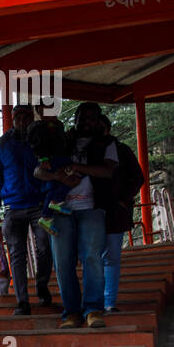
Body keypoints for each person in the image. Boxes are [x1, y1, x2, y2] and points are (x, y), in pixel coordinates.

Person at [35, 102, 117, 328]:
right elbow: (38, 170)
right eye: (82, 117)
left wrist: (78, 168)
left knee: (92, 259)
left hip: (92, 207)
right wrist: (57, 177)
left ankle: (93, 310)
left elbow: (108, 170)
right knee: (62, 263)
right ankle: (71, 313)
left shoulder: (107, 143)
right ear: (76, 119)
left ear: (99, 120)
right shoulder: (61, 139)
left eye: (92, 117)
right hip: (60, 209)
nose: (87, 121)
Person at [0, 104, 52, 314]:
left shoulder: (39, 140)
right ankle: (22, 301)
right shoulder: (4, 145)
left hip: (38, 205)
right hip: (13, 207)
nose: (22, 121)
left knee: (44, 246)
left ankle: (42, 287)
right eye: (18, 117)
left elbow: (51, 165)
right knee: (17, 254)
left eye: (26, 117)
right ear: (13, 119)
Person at [100, 115, 145, 313]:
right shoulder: (82, 149)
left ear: (108, 129)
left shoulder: (122, 150)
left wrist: (123, 200)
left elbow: (138, 177)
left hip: (115, 212)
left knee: (110, 257)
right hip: (91, 210)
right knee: (94, 257)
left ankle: (108, 301)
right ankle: (98, 300)